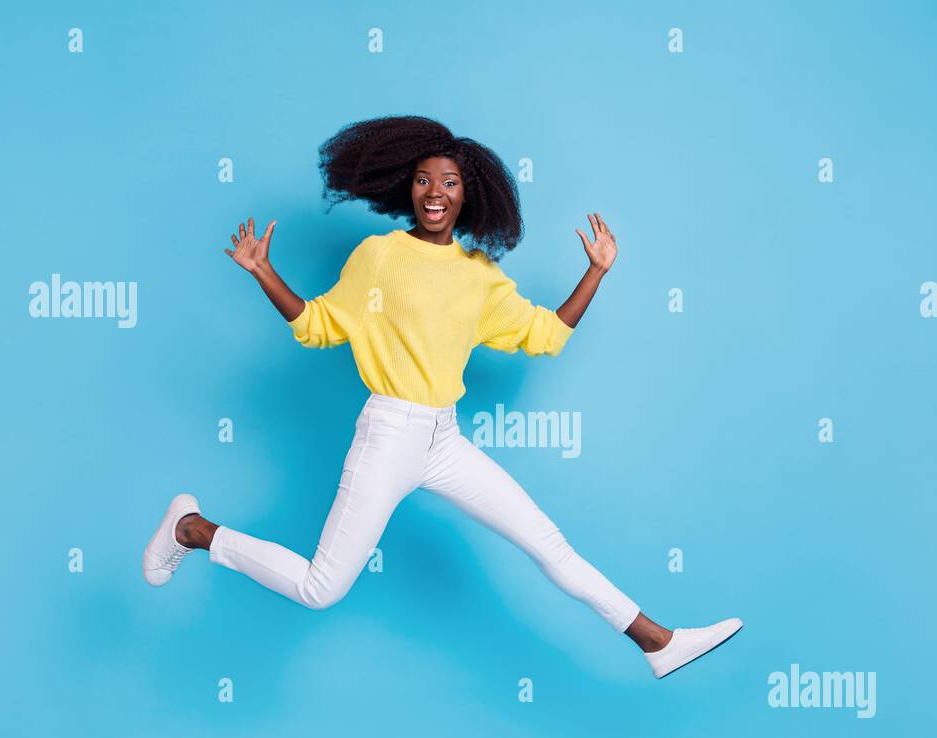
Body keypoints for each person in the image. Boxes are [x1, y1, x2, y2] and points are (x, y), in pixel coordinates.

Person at [142, 115, 741, 679]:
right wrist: (262, 271)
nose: (435, 191)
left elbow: (546, 335)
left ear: (467, 193)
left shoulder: (479, 274)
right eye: (424, 180)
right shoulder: (378, 257)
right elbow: (319, 325)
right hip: (389, 434)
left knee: (548, 546)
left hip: (443, 439)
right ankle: (193, 529)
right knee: (320, 589)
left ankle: (658, 644)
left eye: (449, 182)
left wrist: (597, 272)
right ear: (407, 189)